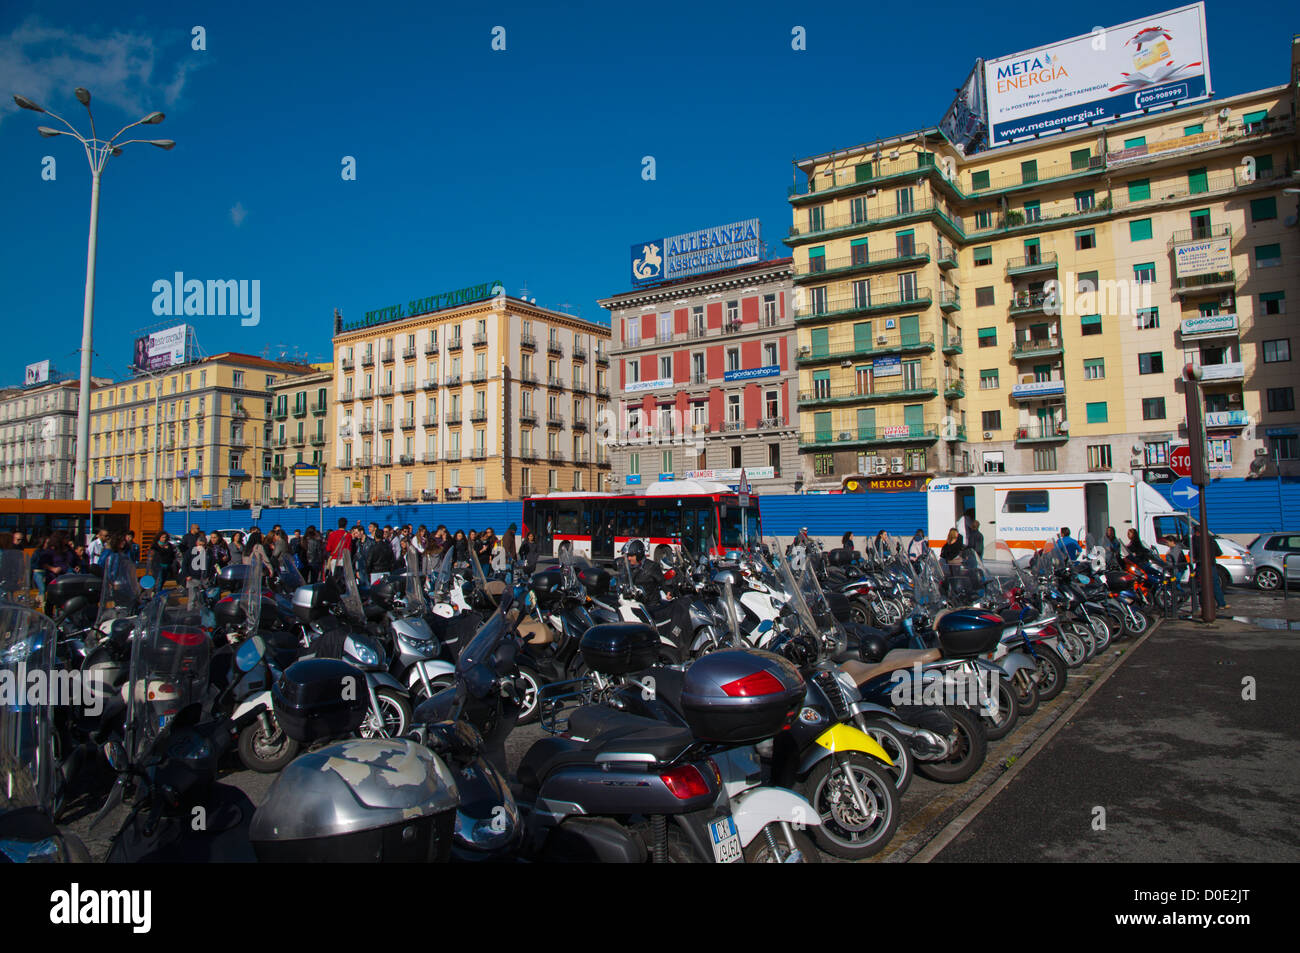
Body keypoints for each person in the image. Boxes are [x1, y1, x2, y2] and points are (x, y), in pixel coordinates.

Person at [1192, 526, 1228, 610]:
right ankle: (1221, 603)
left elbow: (1193, 552)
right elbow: (1219, 553)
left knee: (1201, 586)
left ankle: (1204, 605)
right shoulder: (1211, 540)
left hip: (1201, 565)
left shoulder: (1195, 540)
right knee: (1215, 585)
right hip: (1211, 565)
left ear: (1197, 532)